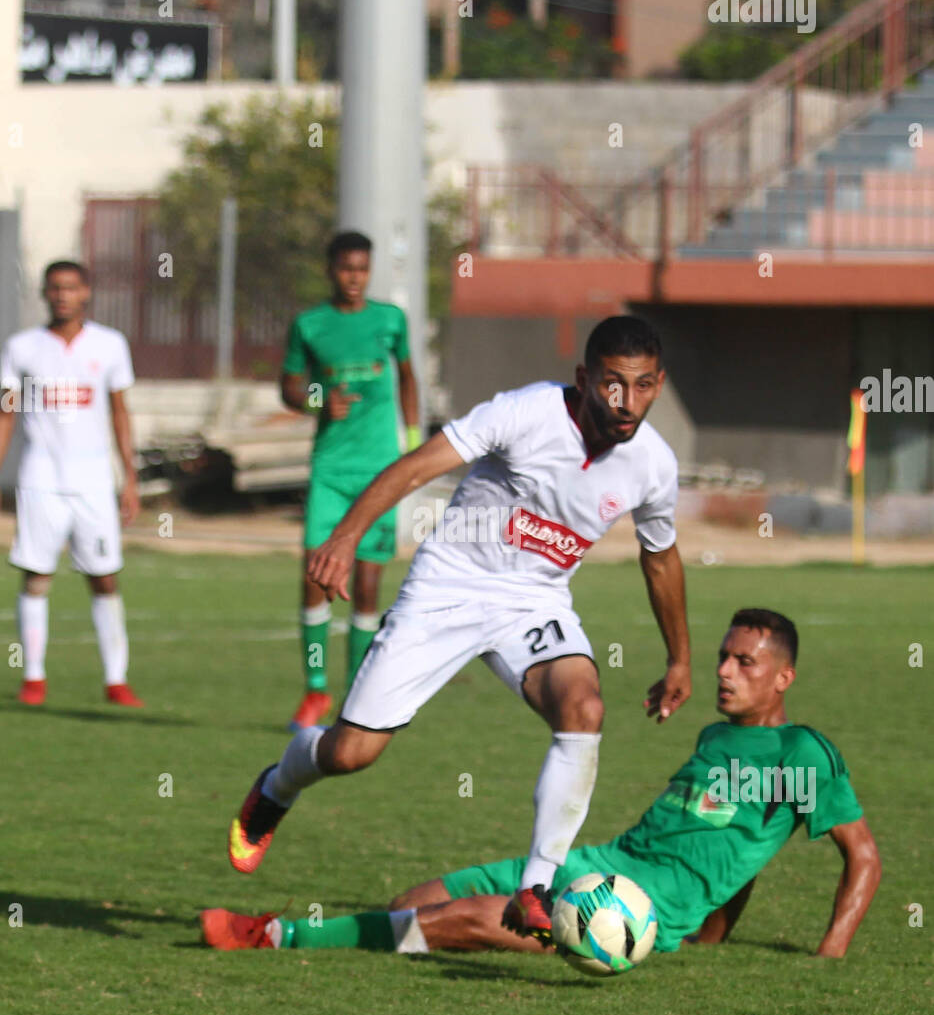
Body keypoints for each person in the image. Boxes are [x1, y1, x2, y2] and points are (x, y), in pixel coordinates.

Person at [227, 315, 691, 939]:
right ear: (585, 379)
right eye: (612, 384)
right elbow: (417, 466)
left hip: (534, 602)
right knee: (349, 753)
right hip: (447, 588)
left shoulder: (654, 464)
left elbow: (659, 556)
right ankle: (279, 783)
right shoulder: (527, 412)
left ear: (659, 383)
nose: (625, 401)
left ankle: (537, 886)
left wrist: (679, 658)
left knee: (582, 707)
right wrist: (346, 536)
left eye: (641, 386)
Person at [203, 609, 880, 959]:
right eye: (724, 657)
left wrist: (827, 956)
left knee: (453, 923)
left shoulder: (804, 754)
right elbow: (741, 845)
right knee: (414, 902)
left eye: (746, 663)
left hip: (630, 905)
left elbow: (863, 856)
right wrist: (715, 937)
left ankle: (277, 936)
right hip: (602, 859)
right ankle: (360, 933)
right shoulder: (717, 737)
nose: (726, 672)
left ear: (784, 678)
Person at [281, 231, 420, 730]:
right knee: (317, 576)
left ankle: (359, 695)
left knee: (365, 583)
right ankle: (315, 690)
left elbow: (407, 377)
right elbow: (290, 386)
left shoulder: (390, 320)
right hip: (331, 471)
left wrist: (411, 440)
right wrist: (319, 397)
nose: (355, 278)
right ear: (331, 270)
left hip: (380, 471)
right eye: (346, 269)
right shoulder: (310, 324)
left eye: (362, 268)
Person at [0, 260, 142, 707]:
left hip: (94, 482)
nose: (63, 295)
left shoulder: (110, 344)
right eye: (55, 288)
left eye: (71, 288)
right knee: (36, 575)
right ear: (44, 293)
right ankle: (34, 678)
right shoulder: (22, 347)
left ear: (86, 293)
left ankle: (116, 679)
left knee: (104, 578)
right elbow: (6, 410)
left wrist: (130, 477)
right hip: (40, 478)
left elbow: (120, 411)